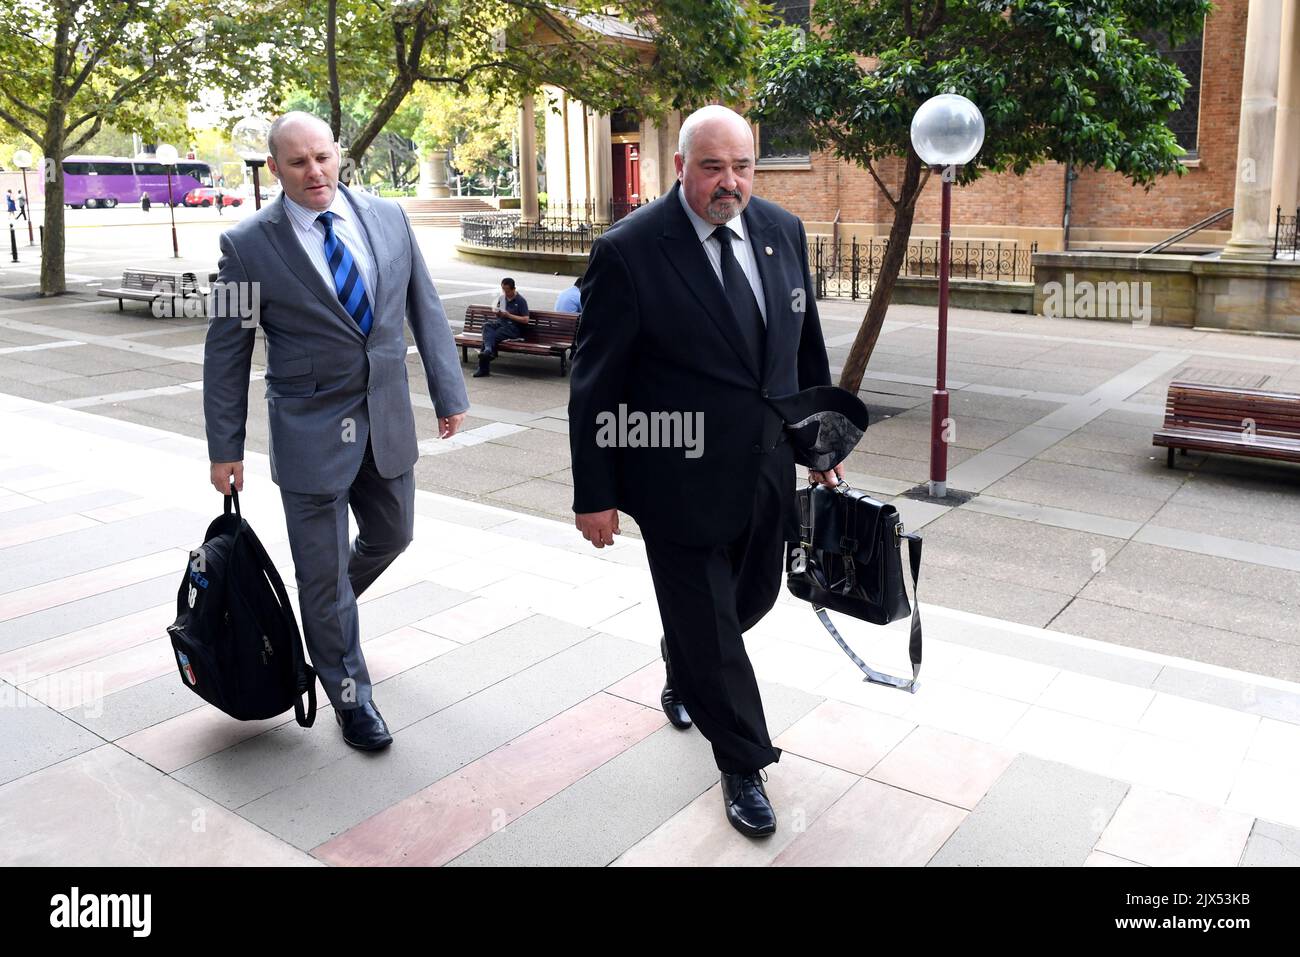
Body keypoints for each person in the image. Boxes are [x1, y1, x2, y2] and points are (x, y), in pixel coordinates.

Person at [568, 105, 839, 838]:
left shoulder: (783, 231)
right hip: (673, 478)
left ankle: (679, 655)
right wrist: (594, 494)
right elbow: (593, 384)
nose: (730, 182)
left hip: (765, 470)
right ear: (680, 167)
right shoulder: (628, 252)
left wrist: (819, 445)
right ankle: (743, 760)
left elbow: (802, 346)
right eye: (713, 166)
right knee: (716, 634)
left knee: (749, 601)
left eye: (743, 165)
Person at [204, 111, 468, 751]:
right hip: (309, 434)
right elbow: (227, 349)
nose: (314, 171)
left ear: (337, 153)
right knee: (321, 579)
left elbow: (423, 306)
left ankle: (322, 616)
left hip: (386, 423)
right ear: (276, 169)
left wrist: (447, 390)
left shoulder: (387, 217)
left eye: (322, 157)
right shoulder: (248, 246)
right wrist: (225, 448)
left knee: (393, 535)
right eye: (297, 163)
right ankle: (351, 699)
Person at [473, 277, 529, 378]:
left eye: (507, 290)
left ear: (513, 289)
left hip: (513, 329)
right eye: (503, 289)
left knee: (489, 338)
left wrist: (509, 315)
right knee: (486, 326)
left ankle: (483, 368)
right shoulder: (502, 298)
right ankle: (489, 351)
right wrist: (497, 312)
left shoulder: (521, 301)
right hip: (501, 324)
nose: (505, 292)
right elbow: (498, 312)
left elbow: (525, 319)